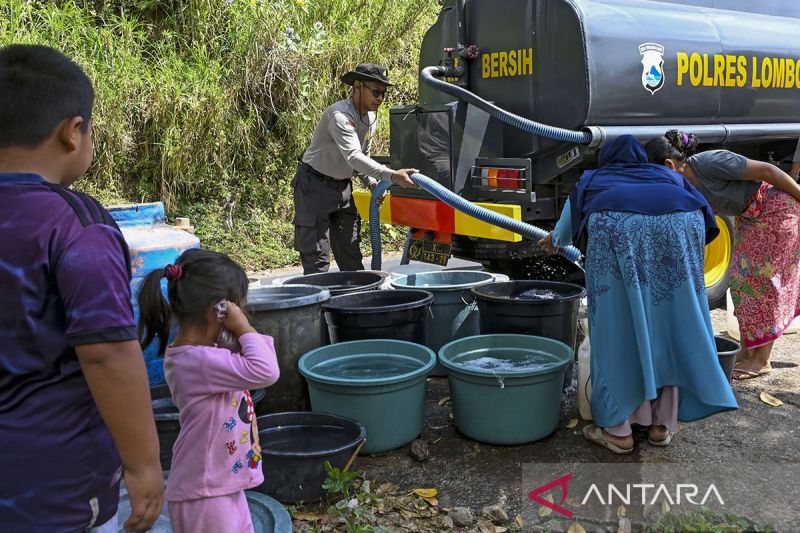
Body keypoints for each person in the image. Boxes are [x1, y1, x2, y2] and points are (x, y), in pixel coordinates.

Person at [0, 44, 164, 531]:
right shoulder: (75, 225)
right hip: (51, 491)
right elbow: (107, 354)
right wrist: (144, 465)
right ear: (72, 133)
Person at [539, 135, 737, 454]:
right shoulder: (671, 177)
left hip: (617, 231)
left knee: (617, 330)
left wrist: (553, 240)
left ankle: (618, 432)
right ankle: (661, 425)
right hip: (682, 229)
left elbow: (563, 232)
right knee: (669, 330)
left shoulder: (594, 179)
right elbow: (707, 220)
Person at [137, 248, 280, 532]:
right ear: (219, 310)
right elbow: (267, 370)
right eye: (238, 307)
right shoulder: (200, 361)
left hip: (218, 484)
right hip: (205, 493)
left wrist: (235, 334)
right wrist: (243, 328)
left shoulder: (202, 355)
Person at [646, 130, 800, 381]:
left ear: (669, 166)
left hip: (776, 209)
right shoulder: (681, 185)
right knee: (741, 284)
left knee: (766, 284)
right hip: (750, 217)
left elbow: (768, 172)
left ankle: (762, 359)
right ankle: (749, 352)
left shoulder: (709, 162)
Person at [293, 62, 417, 274]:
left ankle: (353, 303)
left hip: (342, 188)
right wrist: (392, 175)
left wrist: (372, 183)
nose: (380, 98)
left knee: (351, 257)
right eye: (376, 91)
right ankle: (318, 306)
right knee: (317, 260)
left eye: (383, 93)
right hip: (313, 186)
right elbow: (353, 156)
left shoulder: (369, 119)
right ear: (357, 86)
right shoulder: (339, 116)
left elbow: (363, 157)